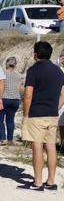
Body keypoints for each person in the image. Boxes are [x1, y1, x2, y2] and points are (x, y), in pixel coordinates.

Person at [20, 42, 64, 191]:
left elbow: (28, 95)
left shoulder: (33, 70)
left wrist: (25, 115)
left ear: (36, 54)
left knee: (37, 146)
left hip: (36, 113)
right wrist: (55, 107)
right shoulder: (58, 71)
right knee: (51, 146)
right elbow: (63, 94)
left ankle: (37, 182)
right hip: (52, 113)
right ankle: (51, 181)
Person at [0, 57, 22, 146]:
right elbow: (19, 88)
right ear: (15, 65)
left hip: (4, 99)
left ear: (6, 64)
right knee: (10, 120)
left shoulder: (2, 74)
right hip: (15, 100)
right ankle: (10, 140)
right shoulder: (18, 75)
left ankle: (2, 139)